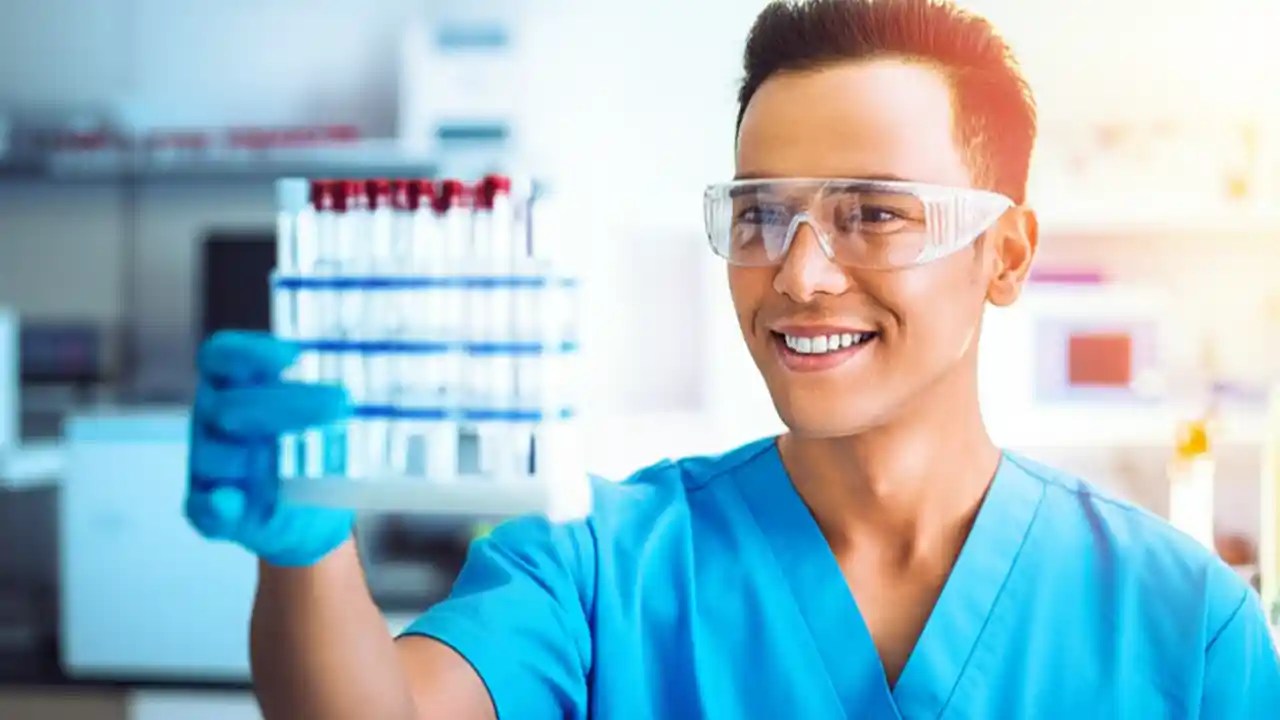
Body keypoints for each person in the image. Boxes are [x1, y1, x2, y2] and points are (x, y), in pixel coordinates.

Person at [185, 0, 1280, 717]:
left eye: (871, 214)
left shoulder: (1184, 630)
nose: (797, 275)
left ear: (1003, 254)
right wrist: (307, 549)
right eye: (759, 216)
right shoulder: (598, 568)